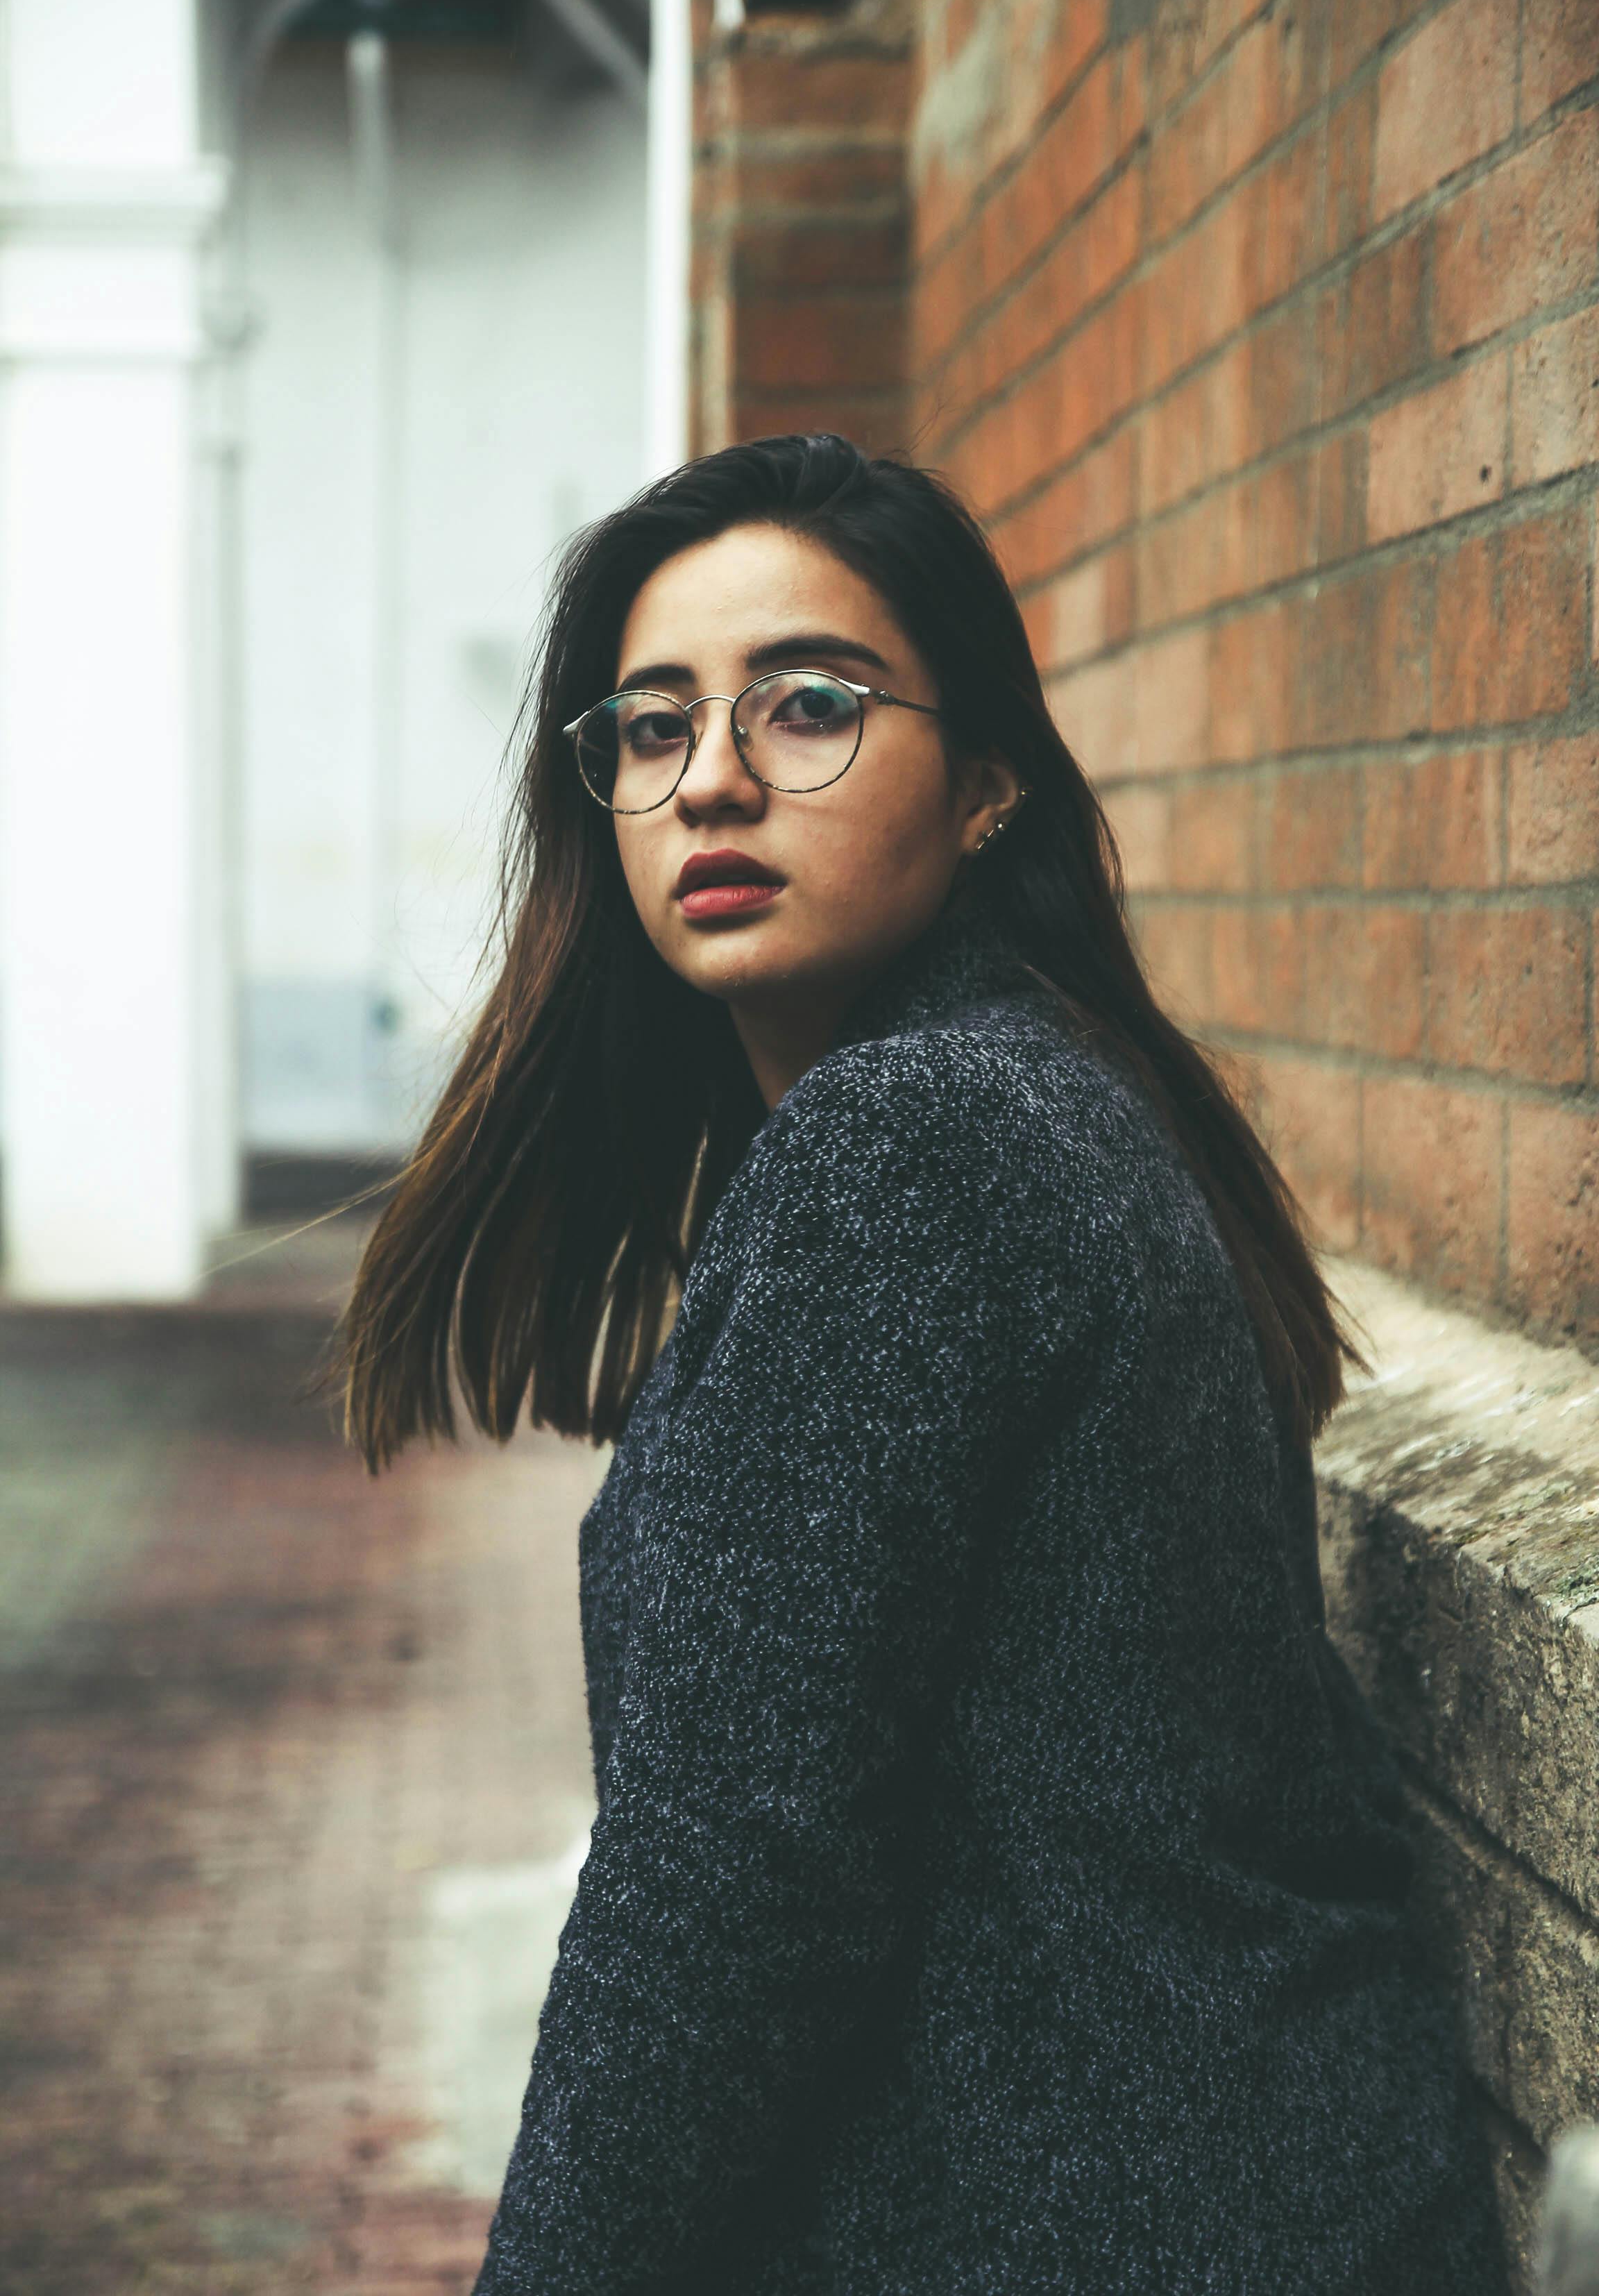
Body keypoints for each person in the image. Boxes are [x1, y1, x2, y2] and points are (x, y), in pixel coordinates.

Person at [335, 433, 1510, 2292]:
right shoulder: (1032, 1093)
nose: (713, 777)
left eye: (809, 708)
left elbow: (728, 1893)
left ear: (986, 791)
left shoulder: (912, 1148)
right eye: (651, 729)